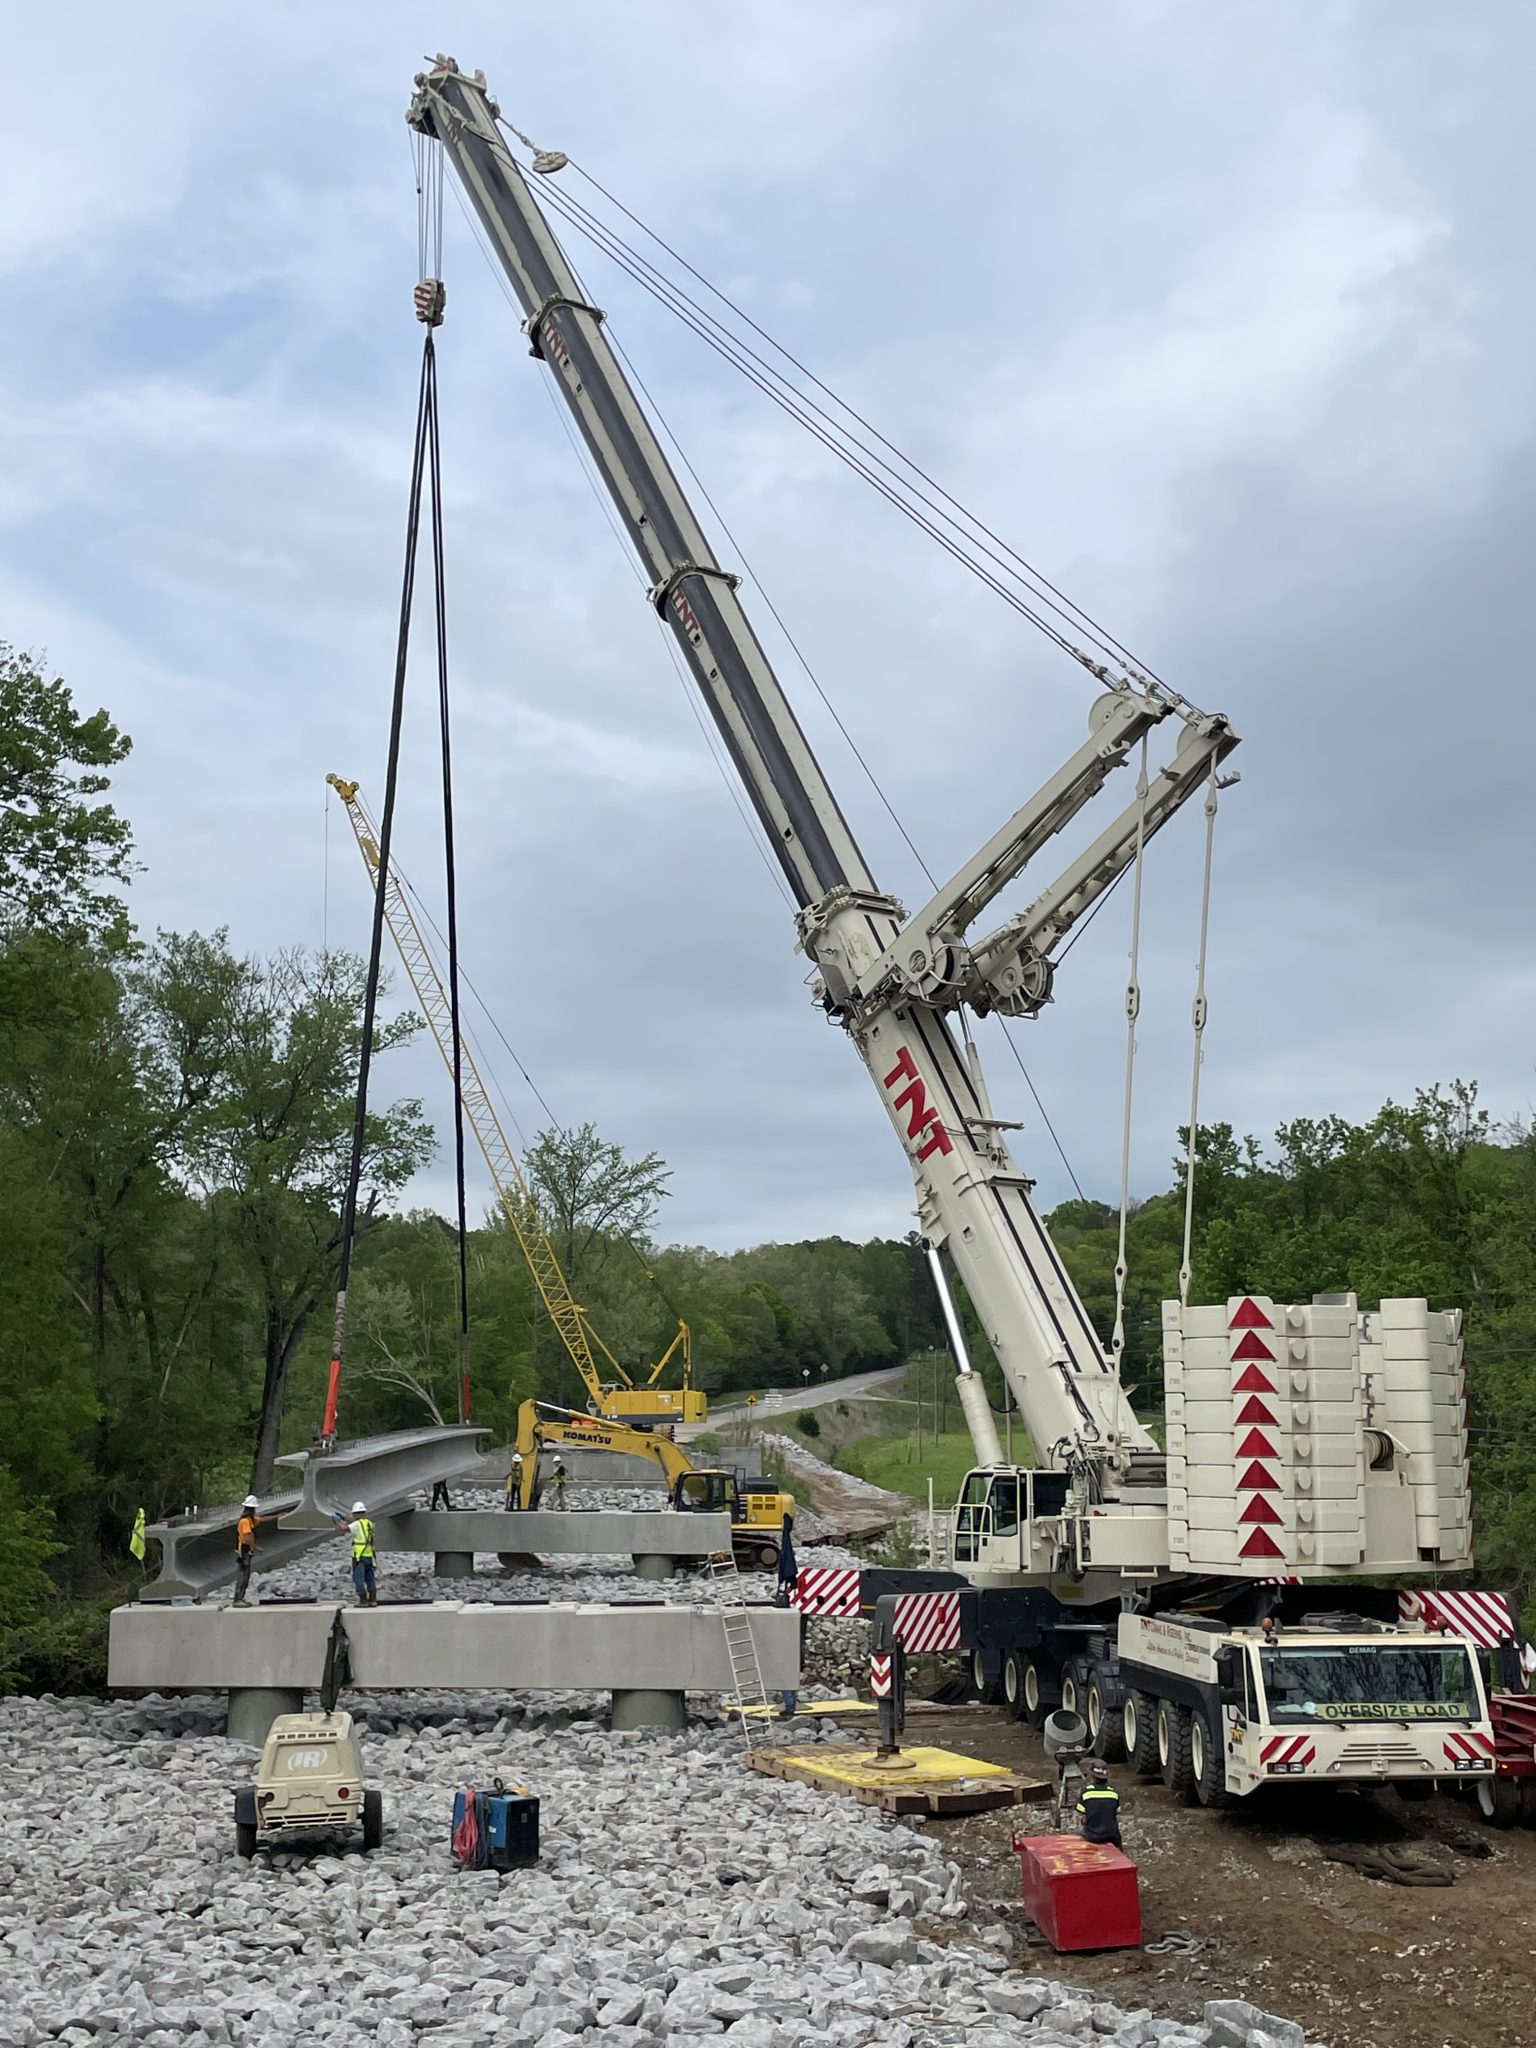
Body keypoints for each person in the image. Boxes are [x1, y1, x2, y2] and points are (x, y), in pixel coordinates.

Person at [773, 1514, 799, 1718]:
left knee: (783, 1672)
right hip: (790, 1643)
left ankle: (790, 1704)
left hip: (785, 1644)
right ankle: (791, 1702)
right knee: (787, 1671)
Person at [233, 1496, 279, 1607]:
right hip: (244, 1549)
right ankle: (238, 1599)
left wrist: (277, 1516)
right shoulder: (245, 1521)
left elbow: (262, 1519)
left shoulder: (250, 1520)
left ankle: (241, 1597)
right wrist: (255, 1547)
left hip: (246, 1549)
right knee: (243, 1575)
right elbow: (248, 1536)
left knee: (246, 1575)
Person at [331, 1500, 377, 1606]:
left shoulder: (356, 1525)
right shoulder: (368, 1523)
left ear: (355, 1513)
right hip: (369, 1556)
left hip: (359, 1556)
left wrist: (337, 1521)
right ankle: (373, 1600)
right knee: (369, 1578)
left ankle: (363, 1600)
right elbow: (352, 1522)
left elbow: (344, 1528)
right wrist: (344, 1518)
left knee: (358, 1578)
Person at [1076, 1760, 1122, 1846]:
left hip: (1092, 1836)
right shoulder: (1114, 1793)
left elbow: (1084, 1819)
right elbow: (1115, 1815)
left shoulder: (1086, 1792)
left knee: (1079, 1830)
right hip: (1111, 1836)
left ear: (1092, 1776)